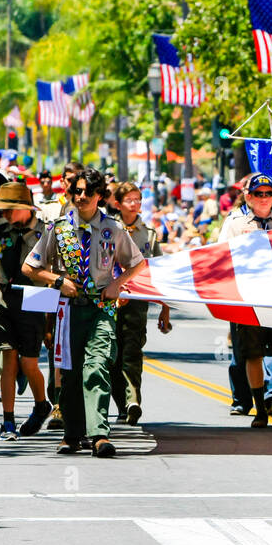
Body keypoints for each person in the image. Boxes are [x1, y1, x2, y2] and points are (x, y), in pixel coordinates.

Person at [23, 168, 148, 457]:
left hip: (100, 307)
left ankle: (99, 434)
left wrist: (117, 283)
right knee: (70, 371)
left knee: (97, 366)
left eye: (87, 193)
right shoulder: (57, 228)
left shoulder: (112, 229)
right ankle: (72, 433)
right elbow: (30, 267)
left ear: (100, 197)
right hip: (68, 309)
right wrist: (57, 281)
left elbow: (137, 263)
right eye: (76, 192)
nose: (81, 197)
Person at [216, 173, 272, 427]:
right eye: (258, 194)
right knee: (252, 354)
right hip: (249, 298)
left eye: (269, 194)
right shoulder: (235, 224)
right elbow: (220, 256)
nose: (264, 198)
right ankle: (260, 408)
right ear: (248, 197)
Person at [0, 181, 53, 438]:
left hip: (35, 297)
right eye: (3, 209)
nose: (6, 214)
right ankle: (8, 421)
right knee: (7, 358)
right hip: (3, 297)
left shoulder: (46, 233)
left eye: (10, 209)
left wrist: (50, 320)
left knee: (30, 362)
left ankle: (41, 404)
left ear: (26, 208)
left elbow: (53, 274)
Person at [109, 181, 171, 425]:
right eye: (129, 200)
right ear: (118, 204)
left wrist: (165, 308)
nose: (134, 204)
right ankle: (121, 403)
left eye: (138, 199)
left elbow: (160, 272)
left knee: (132, 352)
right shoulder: (108, 229)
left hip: (137, 302)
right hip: (111, 299)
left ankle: (133, 400)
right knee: (112, 354)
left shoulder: (149, 234)